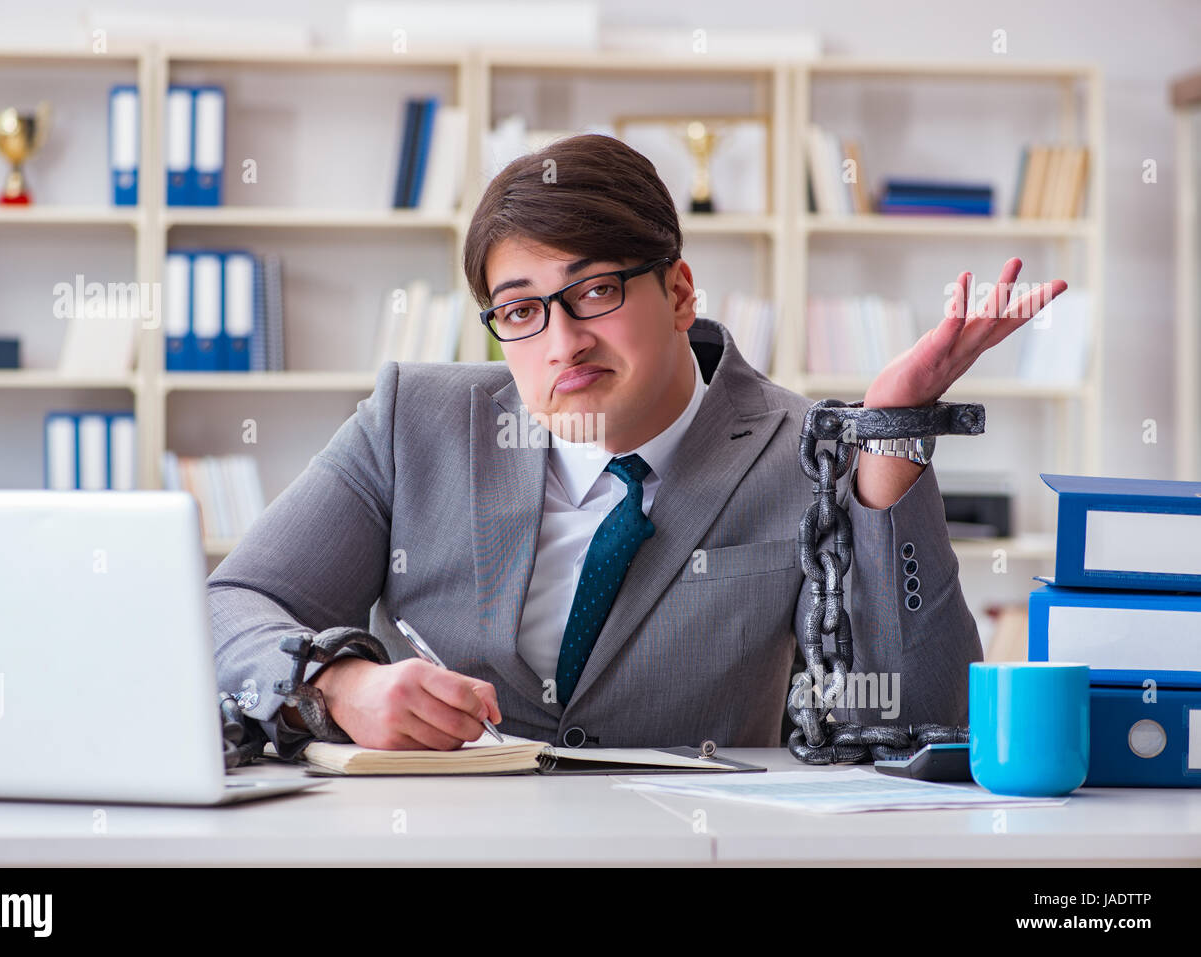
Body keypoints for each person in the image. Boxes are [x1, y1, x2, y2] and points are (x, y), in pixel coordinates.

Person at [208, 133, 1066, 757]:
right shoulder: (414, 422)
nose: (562, 341)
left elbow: (930, 719)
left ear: (679, 290)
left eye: (596, 290)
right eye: (520, 310)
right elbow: (231, 604)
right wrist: (336, 683)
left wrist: (894, 438)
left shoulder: (809, 451)